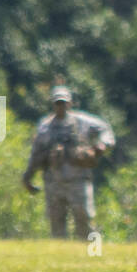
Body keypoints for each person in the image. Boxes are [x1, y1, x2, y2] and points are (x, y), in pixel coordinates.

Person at [22, 85, 115, 240]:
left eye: (64, 103)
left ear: (70, 103)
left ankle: (87, 251)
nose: (61, 106)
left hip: (78, 179)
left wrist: (102, 145)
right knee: (56, 223)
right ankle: (61, 254)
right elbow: (36, 154)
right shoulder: (45, 127)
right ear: (53, 104)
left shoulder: (83, 122)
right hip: (53, 181)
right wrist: (28, 177)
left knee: (84, 218)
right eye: (58, 103)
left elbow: (106, 130)